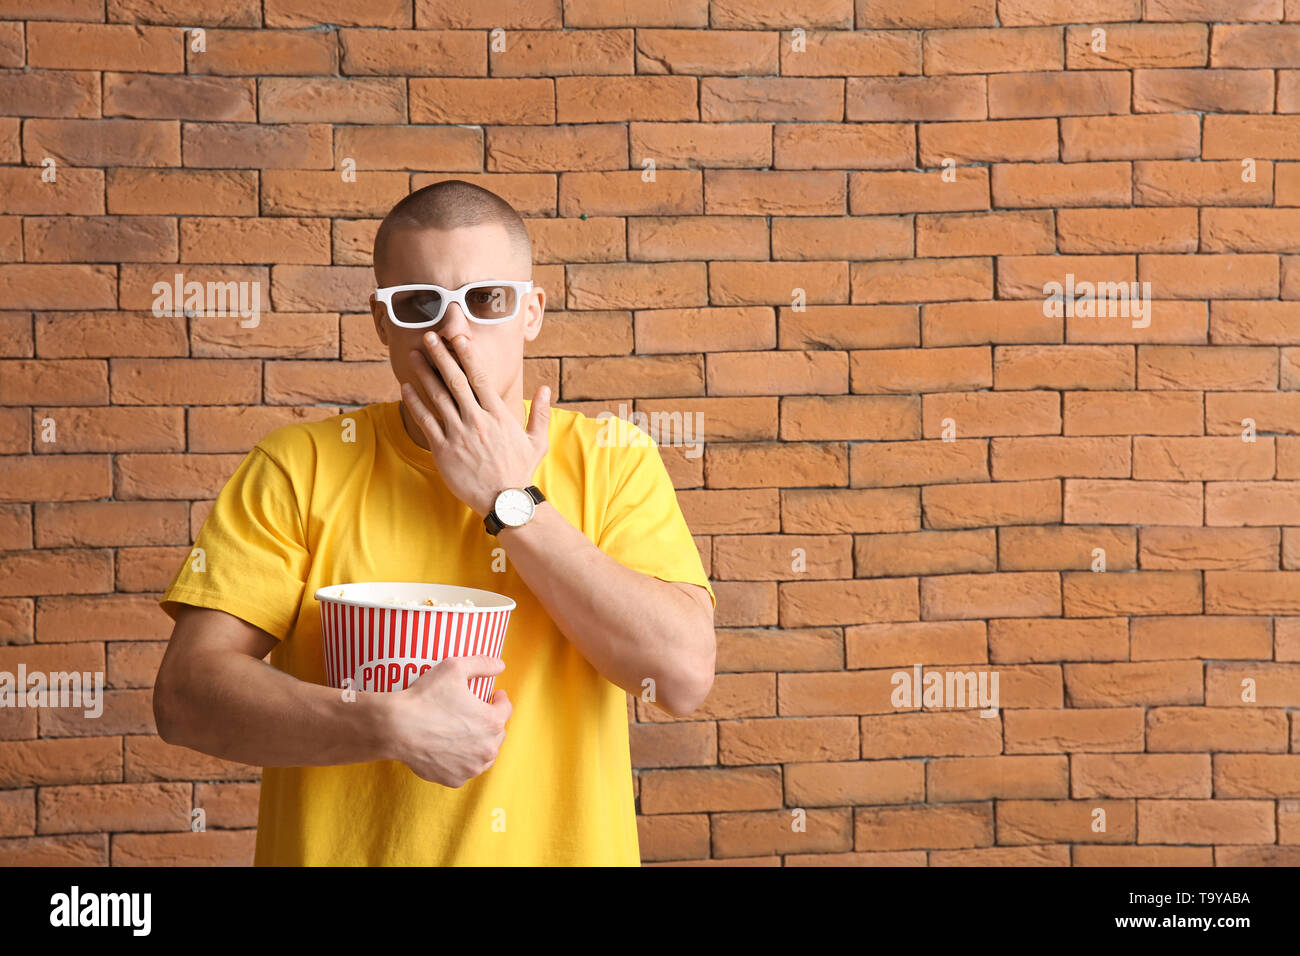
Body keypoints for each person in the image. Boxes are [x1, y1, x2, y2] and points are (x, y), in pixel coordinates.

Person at [153, 179, 717, 865]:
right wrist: (383, 723)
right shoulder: (295, 467)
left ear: (530, 311)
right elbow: (186, 698)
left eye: (486, 300)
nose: (454, 329)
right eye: (420, 303)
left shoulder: (613, 461)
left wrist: (511, 500)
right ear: (382, 321)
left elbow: (682, 677)